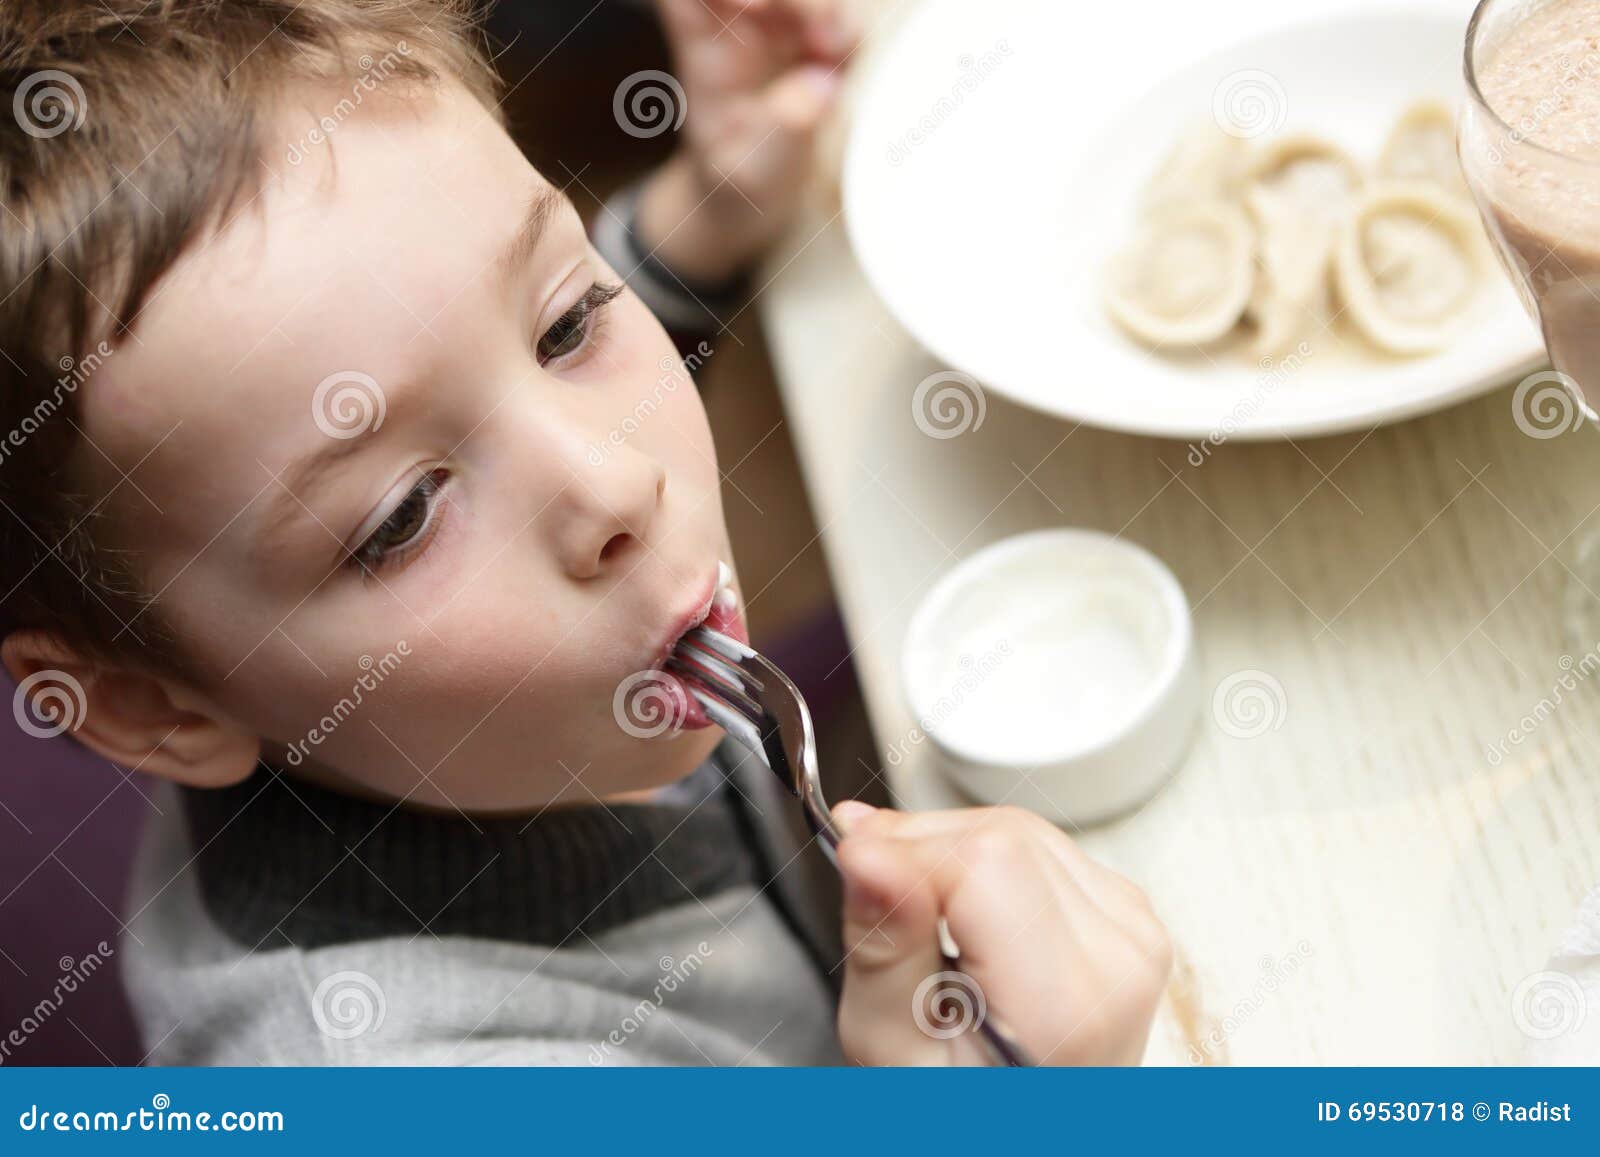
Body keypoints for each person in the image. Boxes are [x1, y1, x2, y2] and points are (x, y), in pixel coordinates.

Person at [0, 0, 1170, 1064]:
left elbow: (454, 366)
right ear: (155, 704)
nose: (614, 487)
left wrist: (703, 213)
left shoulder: (504, 702)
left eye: (566, 326)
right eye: (403, 516)